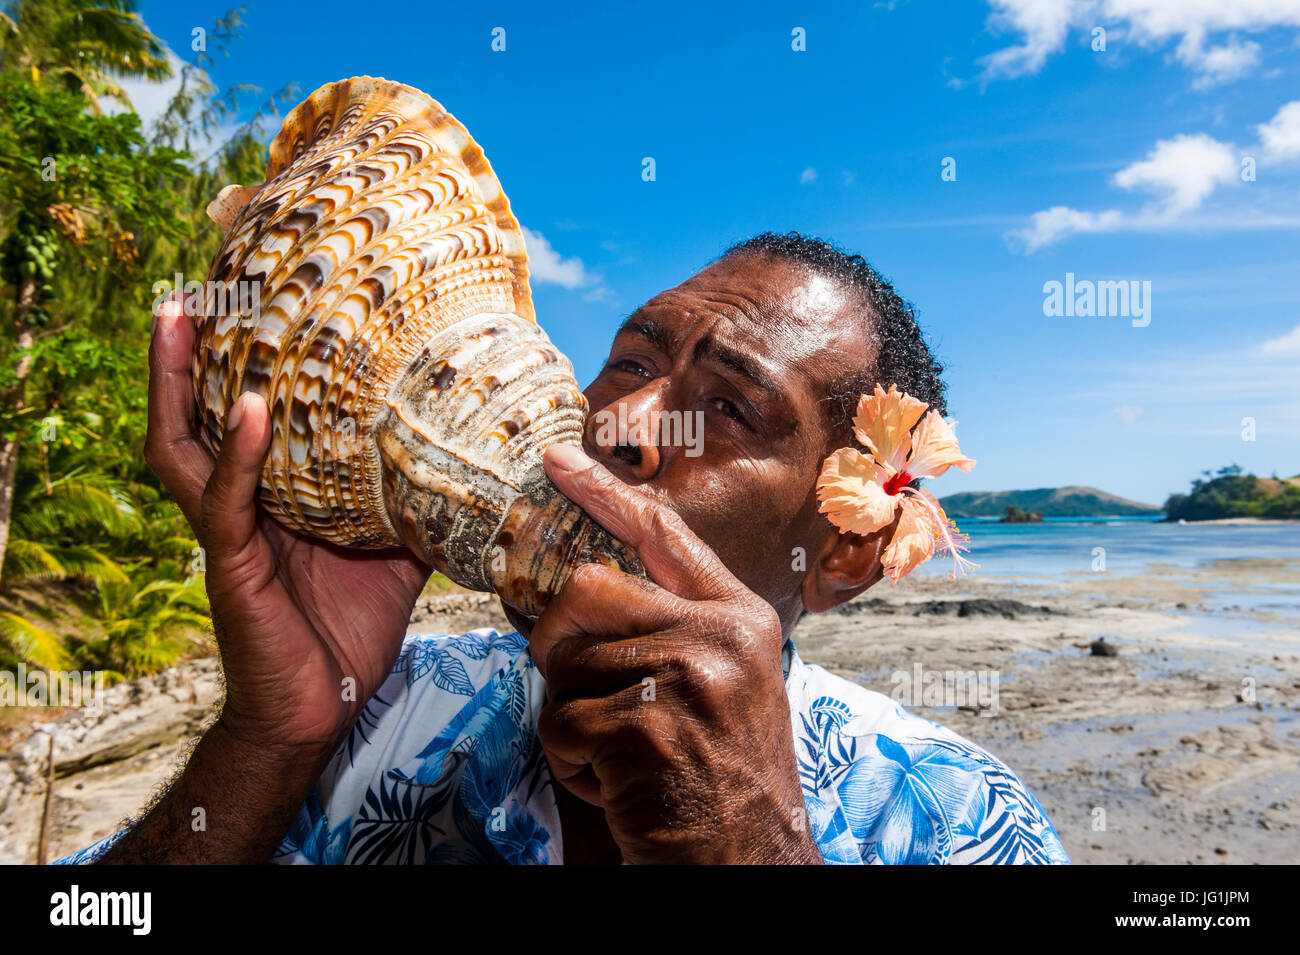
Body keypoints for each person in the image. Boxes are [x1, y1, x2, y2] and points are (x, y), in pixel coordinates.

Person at [58, 232, 1068, 865]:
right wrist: (270, 737)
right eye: (627, 360)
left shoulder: (948, 816)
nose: (622, 420)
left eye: (727, 406)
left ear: (844, 551)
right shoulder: (393, 707)